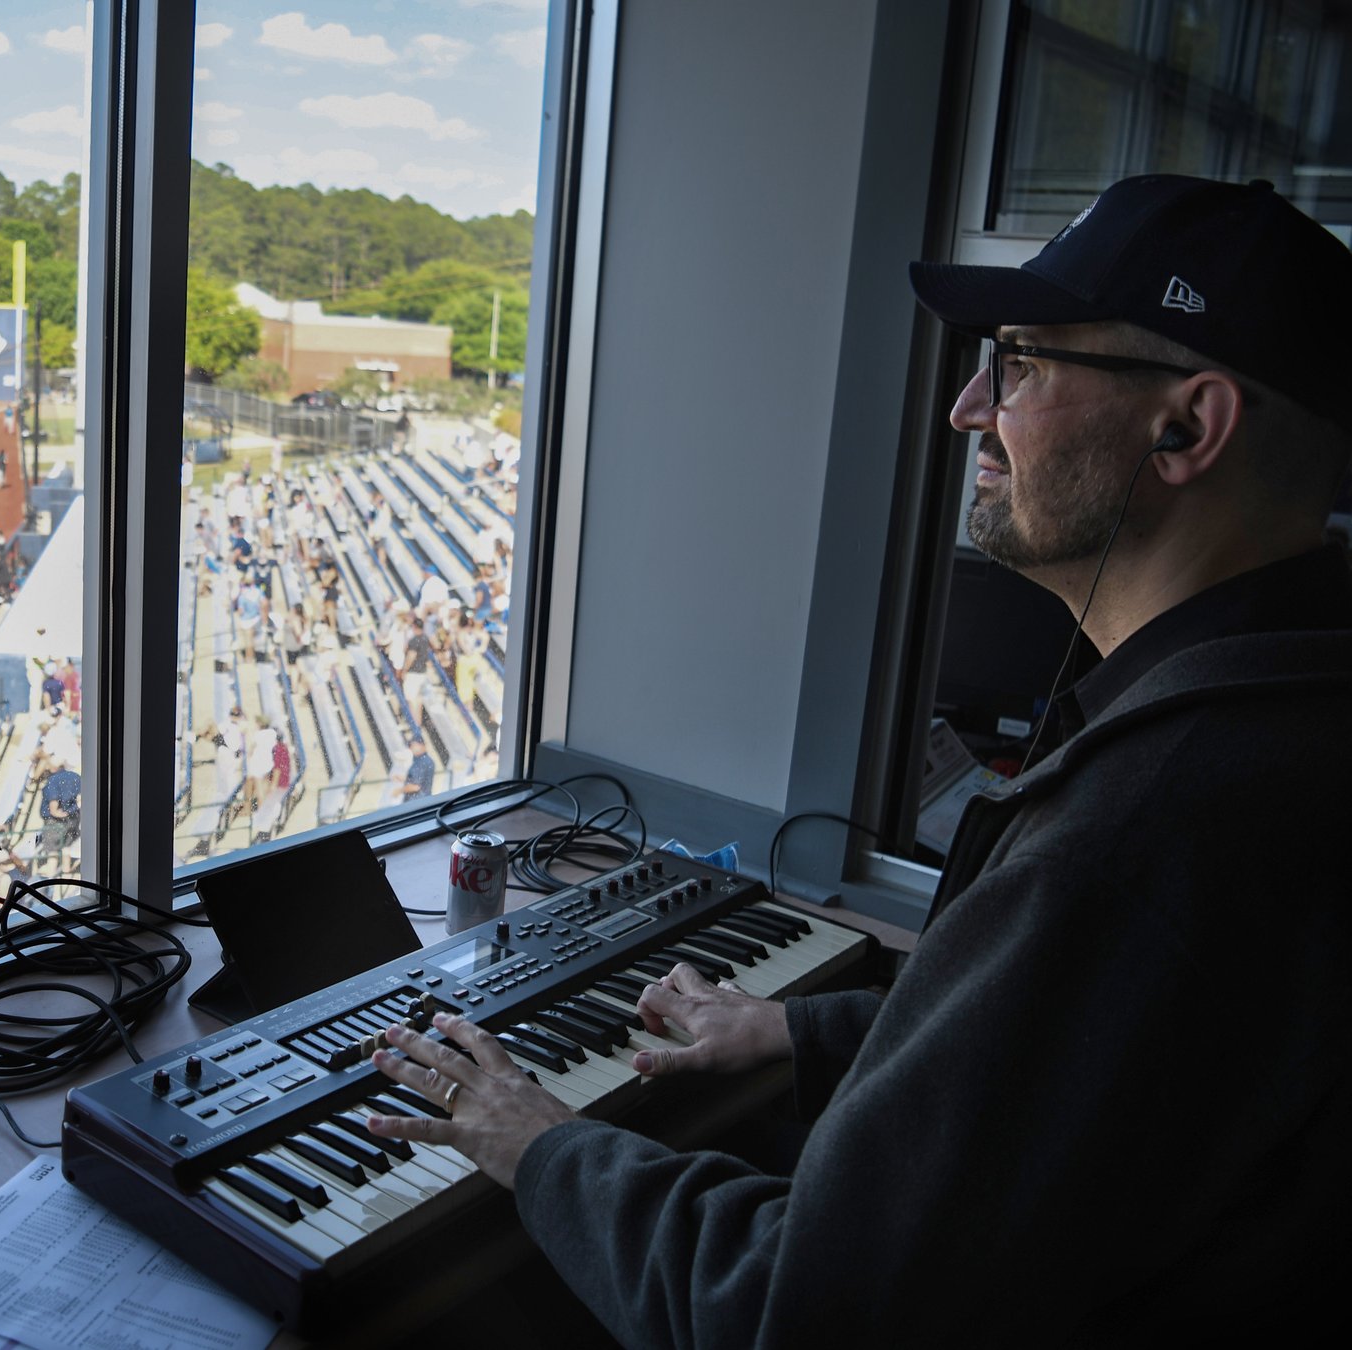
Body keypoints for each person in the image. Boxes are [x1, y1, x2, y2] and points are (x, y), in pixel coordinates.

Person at [362, 175, 1352, 1343]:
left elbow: (796, 1314)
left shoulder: (1149, 832)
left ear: (1184, 428)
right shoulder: (1281, 723)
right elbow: (1107, 1076)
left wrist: (538, 1142)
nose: (969, 408)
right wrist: (809, 1031)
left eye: (1021, 362)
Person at [37, 766, 80, 871]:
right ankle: (66, 873)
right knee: (66, 847)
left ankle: (52, 875)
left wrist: (62, 814)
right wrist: (71, 811)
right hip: (73, 819)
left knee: (53, 852)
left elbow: (54, 808)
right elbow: (80, 799)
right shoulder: (75, 777)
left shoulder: (53, 780)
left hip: (55, 821)